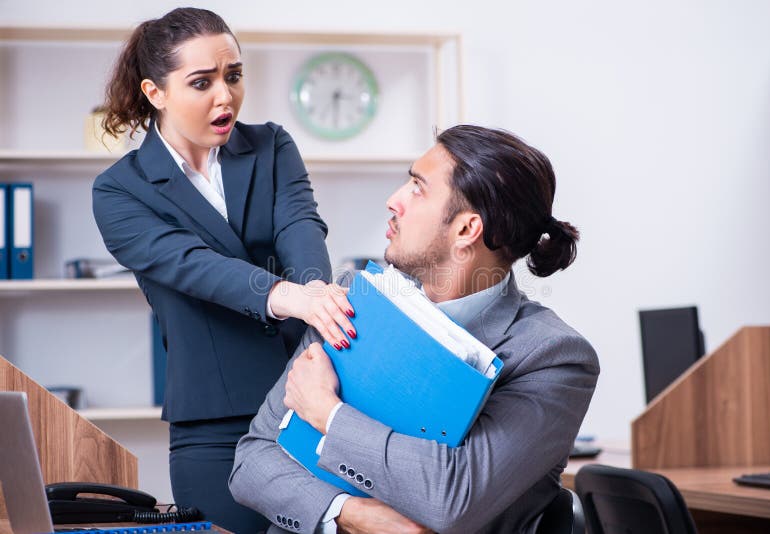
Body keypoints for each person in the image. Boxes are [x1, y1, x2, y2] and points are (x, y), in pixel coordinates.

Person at [229, 124, 600, 533]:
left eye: (417, 188)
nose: (394, 201)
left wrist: (327, 413)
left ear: (466, 230)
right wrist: (349, 513)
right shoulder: (354, 301)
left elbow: (452, 497)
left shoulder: (552, 356)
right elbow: (253, 461)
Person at [92, 8, 357, 532]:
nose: (225, 96)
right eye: (201, 82)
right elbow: (195, 267)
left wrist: (316, 290)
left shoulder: (271, 145)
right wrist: (292, 298)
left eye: (233, 76)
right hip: (215, 428)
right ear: (155, 92)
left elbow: (301, 227)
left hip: (310, 399)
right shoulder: (120, 190)